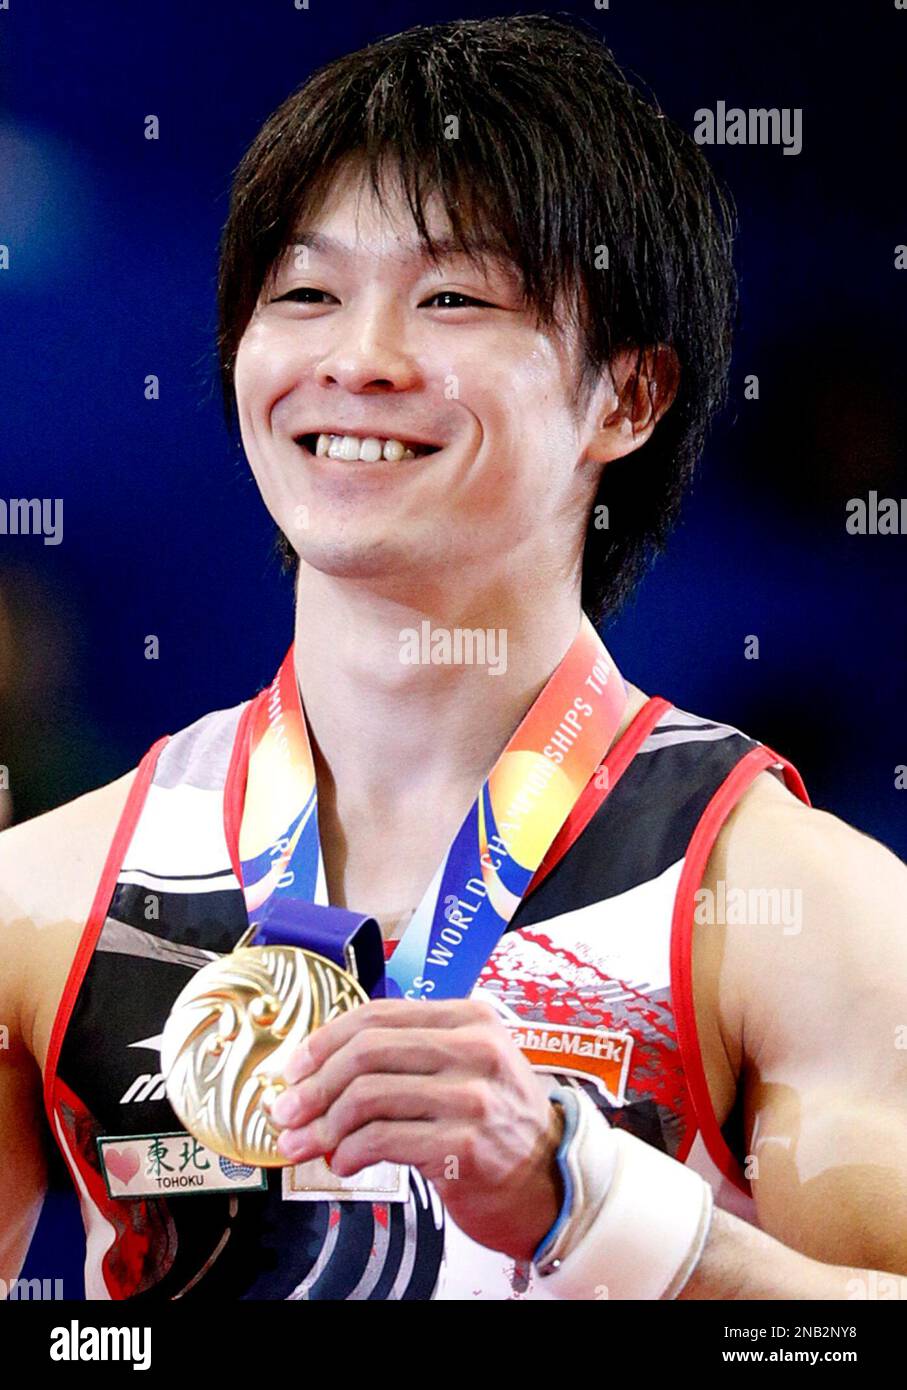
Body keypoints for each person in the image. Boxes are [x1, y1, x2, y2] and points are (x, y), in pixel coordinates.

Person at [2, 14, 906, 1302]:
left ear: (629, 397)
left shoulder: (790, 906)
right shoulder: (44, 895)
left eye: (452, 298)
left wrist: (595, 1209)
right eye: (305, 294)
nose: (357, 360)